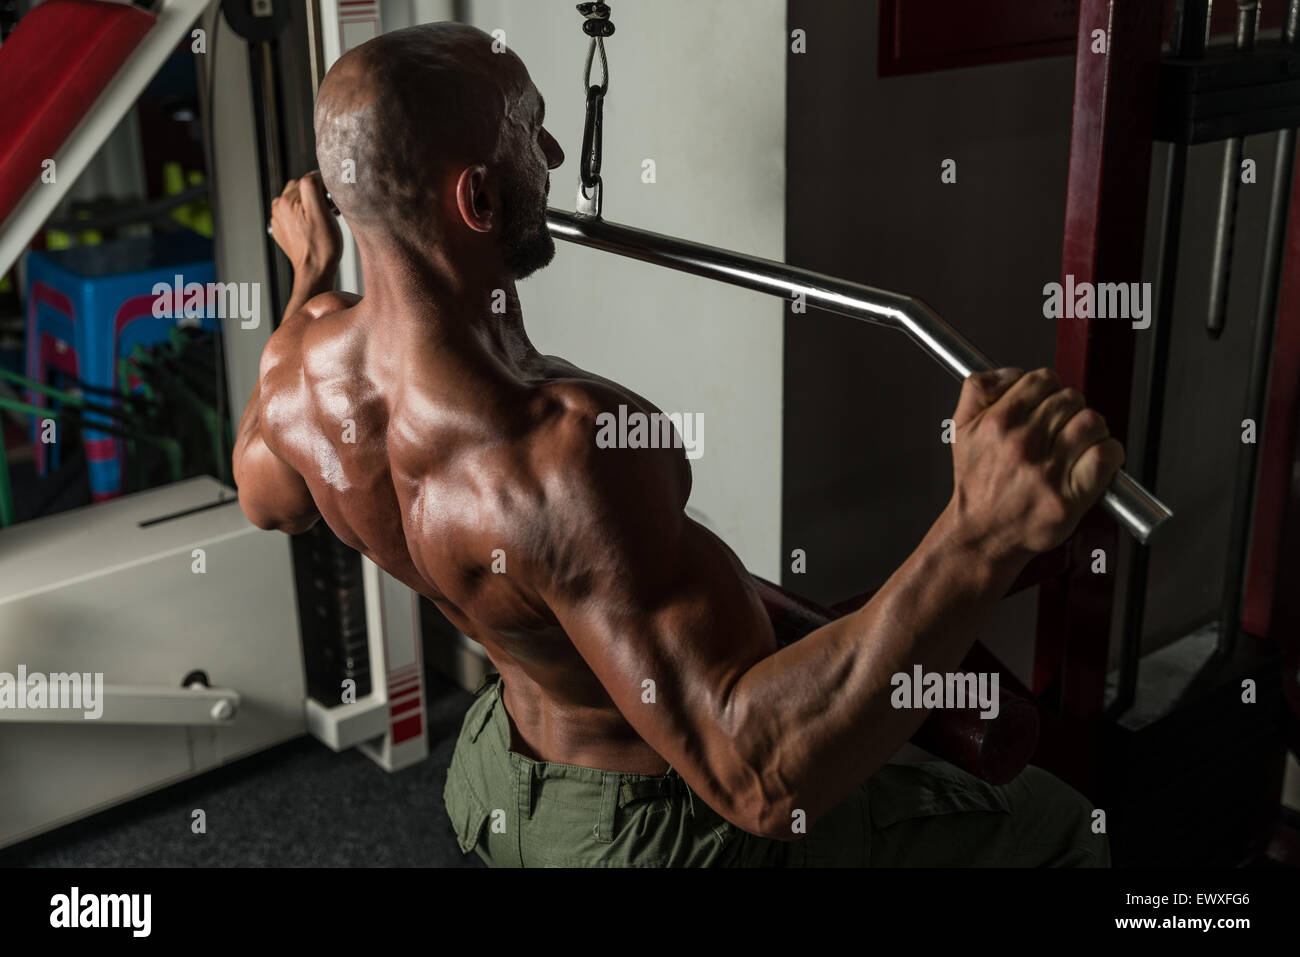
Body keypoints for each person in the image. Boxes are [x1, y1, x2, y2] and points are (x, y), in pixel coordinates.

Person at [233, 22, 1121, 867]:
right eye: (531, 133)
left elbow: (266, 502)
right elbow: (758, 777)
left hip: (496, 772)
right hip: (644, 831)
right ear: (478, 199)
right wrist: (982, 532)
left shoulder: (297, 372)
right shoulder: (561, 455)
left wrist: (308, 280)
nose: (549, 158)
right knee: (1062, 823)